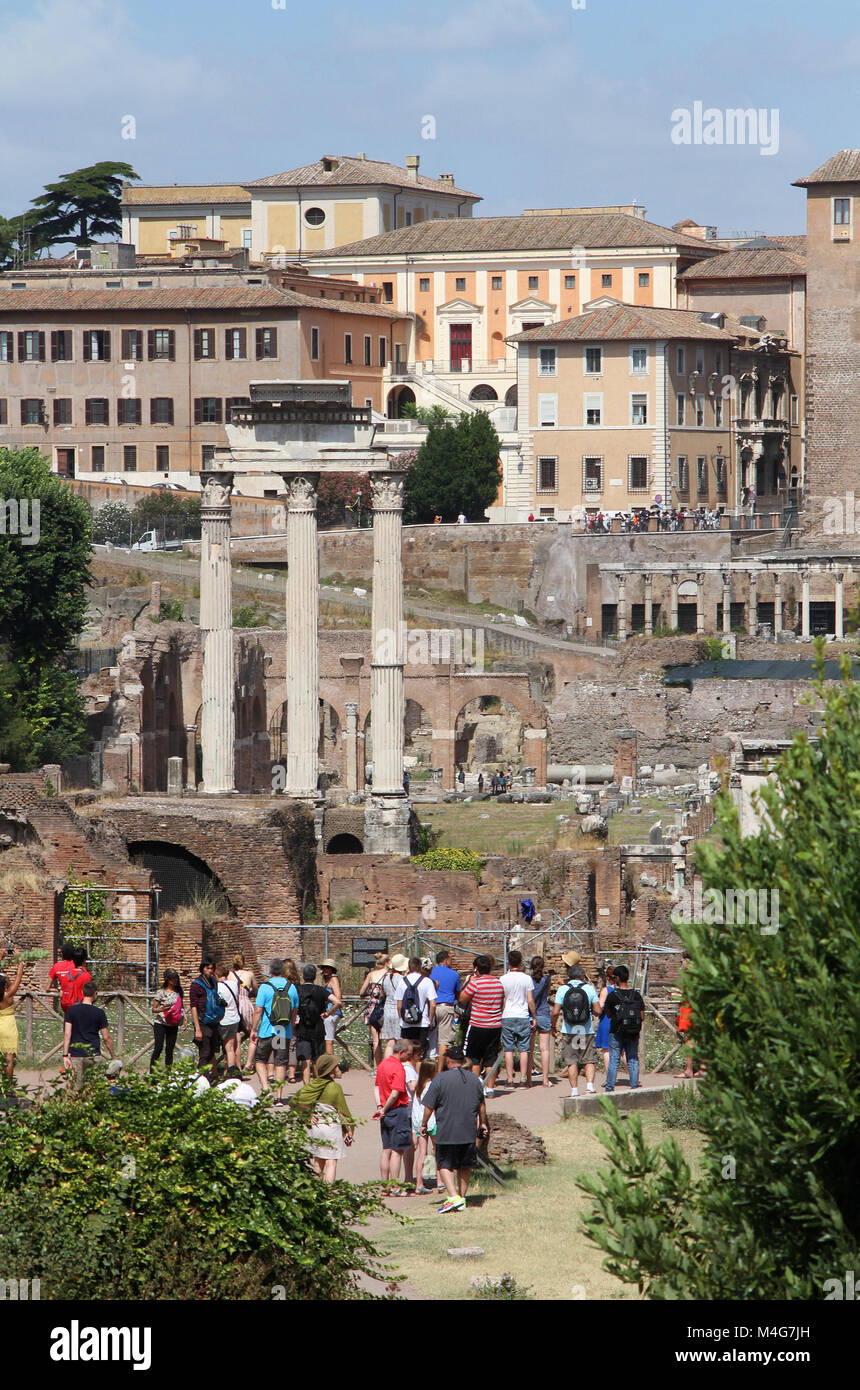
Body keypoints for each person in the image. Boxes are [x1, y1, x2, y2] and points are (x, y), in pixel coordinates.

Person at [419, 1045, 489, 1214]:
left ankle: (453, 1197)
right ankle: (462, 1198)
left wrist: (424, 1123)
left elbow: (429, 1105)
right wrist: (483, 1123)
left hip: (447, 1128)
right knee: (465, 1165)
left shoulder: (440, 1080)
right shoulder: (474, 1080)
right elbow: (482, 1105)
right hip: (468, 1129)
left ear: (449, 1061)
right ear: (463, 1061)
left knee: (444, 1163)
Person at [293, 1054, 355, 1183]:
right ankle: (328, 1193)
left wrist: (307, 1114)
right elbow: (344, 1112)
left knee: (317, 1162)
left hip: (316, 1128)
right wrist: (349, 1130)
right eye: (335, 1066)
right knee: (331, 1162)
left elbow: (294, 1102)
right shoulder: (335, 1087)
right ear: (330, 1069)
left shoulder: (311, 1085)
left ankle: (317, 1193)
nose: (338, 1068)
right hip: (331, 1127)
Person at [484, 949, 535, 1091]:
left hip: (507, 1015)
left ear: (509, 962)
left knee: (508, 1049)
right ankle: (523, 1080)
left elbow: (503, 1000)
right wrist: (534, 1016)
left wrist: (501, 1013)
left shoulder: (503, 979)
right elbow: (530, 1000)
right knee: (524, 1049)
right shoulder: (527, 978)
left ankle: (510, 1079)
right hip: (523, 1015)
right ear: (520, 962)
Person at [551, 953, 600, 1098]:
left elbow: (555, 1012)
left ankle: (574, 1090)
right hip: (586, 1028)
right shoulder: (589, 988)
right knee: (589, 1059)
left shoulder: (562, 989)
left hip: (569, 1029)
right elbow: (598, 1010)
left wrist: (553, 1026)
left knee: (572, 1061)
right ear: (581, 975)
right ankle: (590, 1087)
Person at [251, 959, 298, 1102]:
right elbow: (294, 1010)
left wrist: (254, 1029)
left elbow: (258, 1011)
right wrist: (292, 1026)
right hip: (282, 1030)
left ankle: (265, 1087)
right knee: (280, 1062)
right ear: (283, 971)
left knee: (260, 1059)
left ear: (270, 971)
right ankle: (278, 1097)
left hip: (266, 1030)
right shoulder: (291, 987)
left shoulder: (265, 987)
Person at [373, 1039, 413, 1193]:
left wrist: (380, 1107)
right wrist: (385, 1108)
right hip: (397, 1110)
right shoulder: (399, 1068)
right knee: (397, 1151)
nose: (409, 1057)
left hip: (385, 1111)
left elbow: (376, 1087)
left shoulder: (382, 1064)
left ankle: (385, 1186)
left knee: (386, 1149)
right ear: (401, 1052)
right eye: (408, 1054)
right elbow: (396, 1093)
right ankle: (395, 1187)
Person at [459, 954, 505, 1089]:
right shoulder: (498, 983)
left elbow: (462, 998)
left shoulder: (475, 983)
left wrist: (469, 981)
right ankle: (490, 1088)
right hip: (495, 1025)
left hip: (478, 1024)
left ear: (476, 968)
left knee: (474, 1058)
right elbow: (502, 1003)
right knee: (490, 1057)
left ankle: (475, 1087)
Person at [63, 980, 115, 1087]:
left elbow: (67, 1033)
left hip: (76, 1054)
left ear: (82, 993)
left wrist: (65, 1055)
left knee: (75, 1089)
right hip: (93, 1054)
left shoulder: (72, 1010)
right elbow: (106, 1037)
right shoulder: (99, 1013)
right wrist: (113, 1055)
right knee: (93, 1088)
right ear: (95, 994)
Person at [602, 964, 645, 1092]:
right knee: (632, 1059)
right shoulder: (636, 995)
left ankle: (610, 1087)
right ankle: (634, 1086)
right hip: (633, 1032)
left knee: (614, 1060)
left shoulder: (613, 996)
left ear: (617, 978)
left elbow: (608, 1014)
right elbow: (642, 1015)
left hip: (616, 1031)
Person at [189, 957, 224, 1081]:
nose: (210, 970)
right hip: (202, 1022)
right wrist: (197, 1029)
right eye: (207, 968)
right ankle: (200, 1080)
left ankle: (208, 1078)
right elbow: (193, 1007)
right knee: (204, 1052)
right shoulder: (196, 985)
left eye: (212, 968)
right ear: (202, 969)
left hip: (214, 1021)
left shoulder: (214, 982)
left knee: (211, 1051)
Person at [396, 956, 437, 1057]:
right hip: (422, 1022)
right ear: (420, 967)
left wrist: (402, 1019)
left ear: (409, 968)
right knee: (419, 1053)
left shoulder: (402, 981)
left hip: (406, 1023)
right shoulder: (427, 981)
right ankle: (418, 1071)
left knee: (406, 1052)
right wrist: (430, 1020)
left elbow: (399, 1005)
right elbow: (433, 1004)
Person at [295, 964, 329, 1082]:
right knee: (318, 1058)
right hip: (318, 1026)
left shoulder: (297, 989)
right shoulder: (321, 990)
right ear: (315, 977)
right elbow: (338, 1002)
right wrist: (327, 1013)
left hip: (303, 1026)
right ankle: (318, 1083)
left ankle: (306, 1086)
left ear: (303, 976)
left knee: (305, 1058)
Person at [430, 949, 461, 1073]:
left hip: (432, 1006)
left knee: (431, 1040)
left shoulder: (430, 972)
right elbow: (458, 993)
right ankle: (439, 1070)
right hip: (447, 1007)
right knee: (444, 1041)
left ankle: (430, 1069)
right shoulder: (454, 974)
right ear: (446, 960)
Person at [411, 1059, 440, 1194]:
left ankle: (420, 1183)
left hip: (419, 1122)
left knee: (422, 1152)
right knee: (437, 1149)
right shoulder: (432, 1086)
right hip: (431, 1120)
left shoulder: (418, 1086)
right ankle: (440, 1181)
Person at [150, 968, 184, 1071]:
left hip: (173, 1024)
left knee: (170, 1050)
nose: (175, 980)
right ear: (167, 979)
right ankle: (152, 1072)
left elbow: (181, 1007)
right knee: (158, 1048)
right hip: (161, 1023)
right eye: (172, 978)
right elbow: (153, 1009)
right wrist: (162, 1009)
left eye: (176, 978)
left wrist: (185, 1019)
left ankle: (168, 1073)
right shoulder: (161, 992)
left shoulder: (178, 992)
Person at [359, 951, 389, 1066]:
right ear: (387, 962)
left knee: (376, 1040)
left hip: (372, 1008)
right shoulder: (389, 975)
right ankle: (387, 1067)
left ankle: (378, 1067)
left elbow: (361, 991)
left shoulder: (371, 974)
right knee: (388, 1041)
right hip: (385, 1007)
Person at [228, 953, 256, 1070]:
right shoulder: (249, 974)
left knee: (235, 1037)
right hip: (245, 1004)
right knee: (253, 1035)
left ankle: (235, 1065)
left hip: (233, 1004)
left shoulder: (229, 975)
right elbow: (256, 989)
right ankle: (250, 1063)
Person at [527, 956, 553, 1087]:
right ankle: (545, 1079)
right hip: (544, 1012)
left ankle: (529, 1080)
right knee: (545, 1049)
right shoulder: (547, 979)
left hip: (530, 1015)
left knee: (529, 1049)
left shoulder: (528, 980)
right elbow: (547, 994)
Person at [0, 953, 24, 1085]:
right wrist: (19, 959)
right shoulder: (8, 994)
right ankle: (8, 1086)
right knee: (9, 1057)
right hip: (8, 1025)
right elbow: (19, 976)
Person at [215, 963, 242, 1071]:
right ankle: (230, 1070)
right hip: (235, 1018)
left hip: (224, 1019)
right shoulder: (234, 984)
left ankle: (219, 1070)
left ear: (216, 975)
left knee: (224, 1046)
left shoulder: (218, 987)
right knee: (230, 1048)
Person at [382, 955, 407, 1057]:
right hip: (398, 1009)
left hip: (387, 1009)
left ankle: (387, 1066)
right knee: (399, 1042)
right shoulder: (402, 979)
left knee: (389, 1043)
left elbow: (383, 993)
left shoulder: (386, 978)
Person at [595, 964, 616, 1071]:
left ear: (607, 977)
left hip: (607, 1020)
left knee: (607, 1050)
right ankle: (633, 1075)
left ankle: (609, 1077)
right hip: (620, 1021)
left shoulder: (606, 990)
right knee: (622, 1050)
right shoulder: (624, 989)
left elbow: (601, 1006)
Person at [319, 959, 343, 1056]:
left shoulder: (333, 979)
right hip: (330, 1012)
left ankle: (333, 1068)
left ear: (332, 969)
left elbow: (338, 998)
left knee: (328, 1041)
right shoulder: (328, 979)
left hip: (332, 1013)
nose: (324, 970)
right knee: (327, 1040)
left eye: (327, 968)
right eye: (323, 967)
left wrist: (327, 1013)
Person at [47, 941, 75, 1009]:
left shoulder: (56, 966)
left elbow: (47, 987)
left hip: (64, 1000)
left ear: (62, 954)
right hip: (76, 1000)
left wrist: (58, 990)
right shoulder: (76, 966)